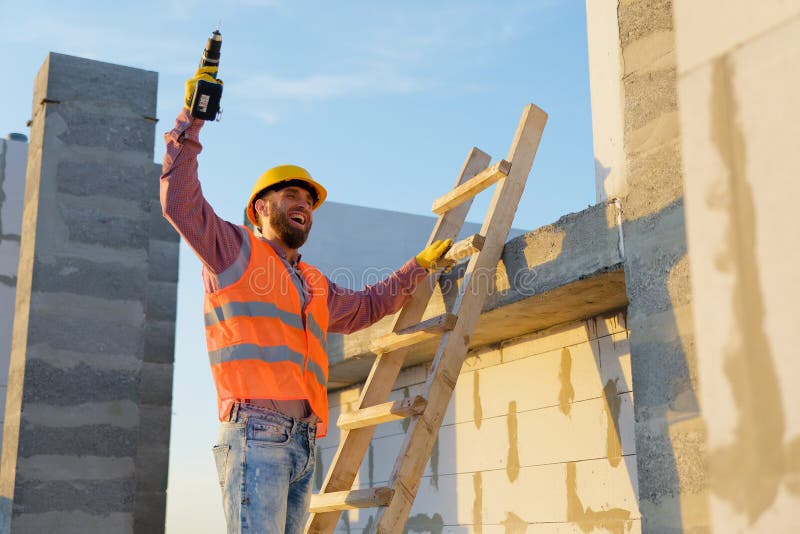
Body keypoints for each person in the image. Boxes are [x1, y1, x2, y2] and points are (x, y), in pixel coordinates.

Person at [160, 67, 452, 534]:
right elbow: (179, 202)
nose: (304, 204)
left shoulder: (311, 281)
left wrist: (419, 266)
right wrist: (190, 120)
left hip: (303, 443)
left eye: (310, 201)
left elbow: (365, 308)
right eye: (292, 194)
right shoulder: (232, 251)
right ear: (261, 208)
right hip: (255, 435)